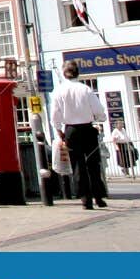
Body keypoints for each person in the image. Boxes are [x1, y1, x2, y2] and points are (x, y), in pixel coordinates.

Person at [49, 61, 107, 209]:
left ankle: (85, 199)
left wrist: (58, 130)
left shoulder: (59, 91)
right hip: (88, 129)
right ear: (77, 73)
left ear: (64, 73)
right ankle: (99, 197)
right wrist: (99, 120)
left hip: (71, 130)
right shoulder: (86, 89)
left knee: (77, 165)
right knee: (93, 164)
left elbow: (55, 115)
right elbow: (99, 111)